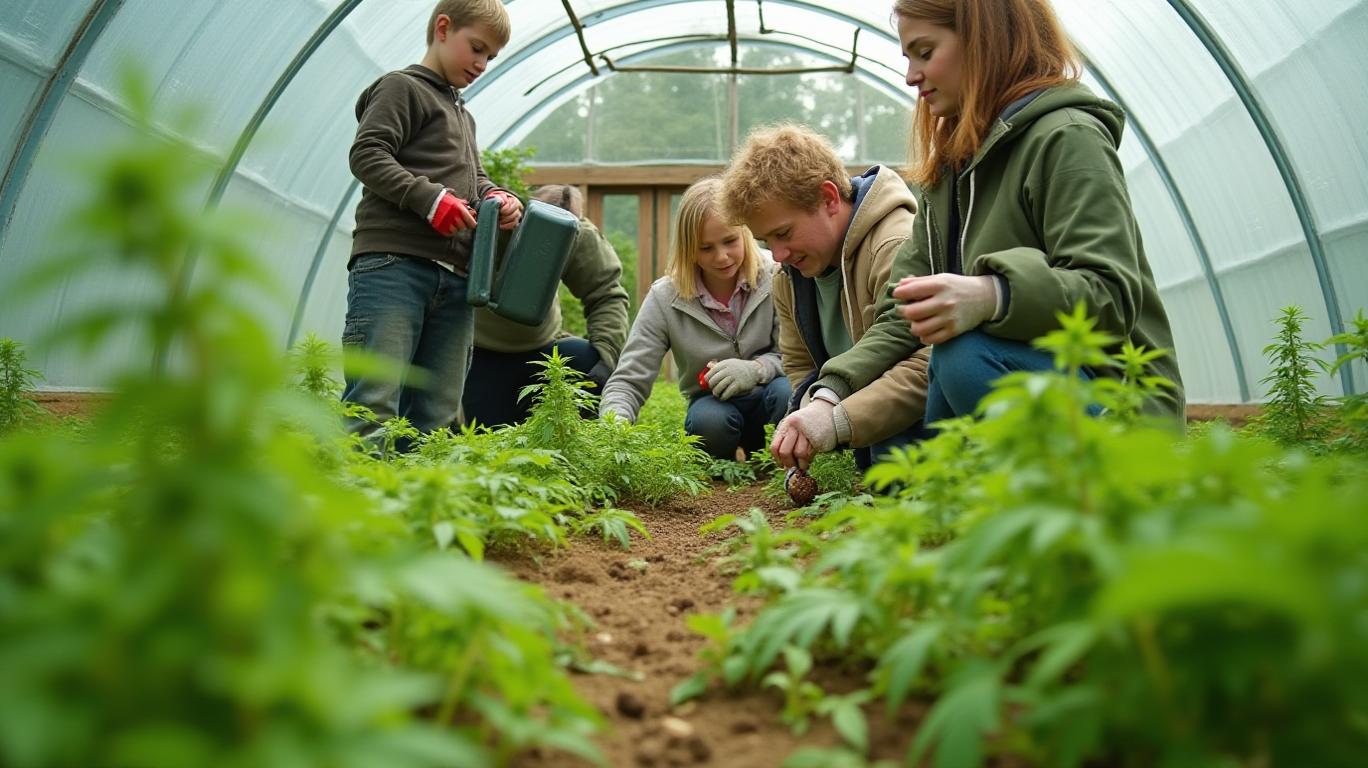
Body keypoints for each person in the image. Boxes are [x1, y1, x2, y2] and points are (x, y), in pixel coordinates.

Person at [802, 0, 1185, 434]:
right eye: (908, 58)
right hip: (1022, 385)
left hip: (1116, 407)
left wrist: (993, 296)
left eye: (925, 52)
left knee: (961, 354)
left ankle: (1096, 489)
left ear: (987, 40)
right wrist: (829, 394)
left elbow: (1110, 293)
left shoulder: (1067, 137)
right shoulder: (951, 171)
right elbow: (902, 313)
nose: (911, 76)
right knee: (918, 417)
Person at [340, 0, 522, 439]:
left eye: (491, 57)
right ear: (443, 28)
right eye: (476, 48)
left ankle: (423, 506)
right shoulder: (402, 88)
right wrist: (429, 200)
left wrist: (495, 195)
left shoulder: (464, 114)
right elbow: (367, 154)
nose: (481, 64)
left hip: (456, 278)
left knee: (437, 416)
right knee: (373, 404)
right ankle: (363, 505)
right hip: (394, 266)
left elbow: (473, 176)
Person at [720, 125, 931, 472]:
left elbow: (926, 361)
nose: (778, 253)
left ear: (829, 198)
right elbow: (800, 365)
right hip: (854, 422)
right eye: (765, 241)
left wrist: (836, 421)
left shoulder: (894, 246)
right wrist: (808, 415)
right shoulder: (788, 277)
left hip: (914, 420)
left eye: (784, 233)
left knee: (888, 476)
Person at [599, 178, 790, 461]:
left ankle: (777, 462)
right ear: (688, 248)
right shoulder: (666, 297)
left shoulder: (777, 275)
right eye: (705, 248)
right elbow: (629, 377)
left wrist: (757, 368)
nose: (722, 257)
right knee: (708, 424)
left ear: (746, 233)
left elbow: (797, 354)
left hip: (771, 392)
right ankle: (724, 467)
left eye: (729, 241)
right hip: (714, 402)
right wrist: (613, 427)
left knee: (788, 394)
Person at [462, 184, 630, 427]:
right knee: (488, 436)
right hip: (479, 354)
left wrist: (606, 354)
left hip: (543, 351)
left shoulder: (577, 234)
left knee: (589, 361)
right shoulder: (495, 219)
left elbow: (606, 294)